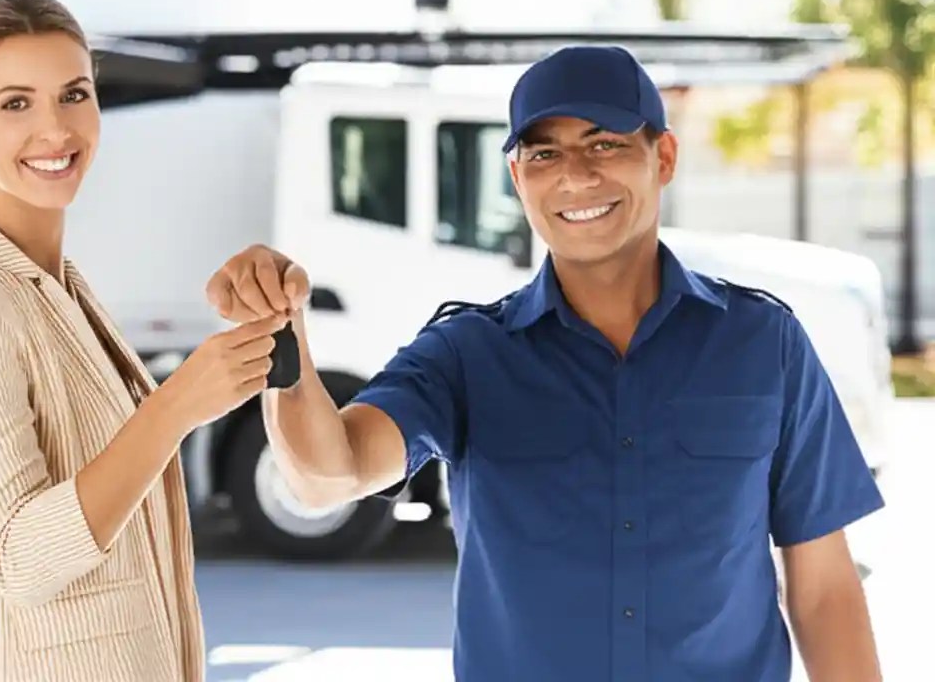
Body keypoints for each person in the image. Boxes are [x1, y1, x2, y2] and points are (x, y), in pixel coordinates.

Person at [206, 45, 885, 681]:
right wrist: (279, 342)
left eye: (605, 144)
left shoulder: (763, 343)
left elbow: (824, 587)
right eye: (544, 153)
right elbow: (330, 476)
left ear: (665, 156)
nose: (575, 175)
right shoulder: (466, 354)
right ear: (516, 176)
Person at [0, 0, 286, 682]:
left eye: (74, 94)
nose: (55, 129)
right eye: (16, 103)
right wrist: (175, 407)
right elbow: (22, 556)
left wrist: (274, 310)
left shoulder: (53, 288)